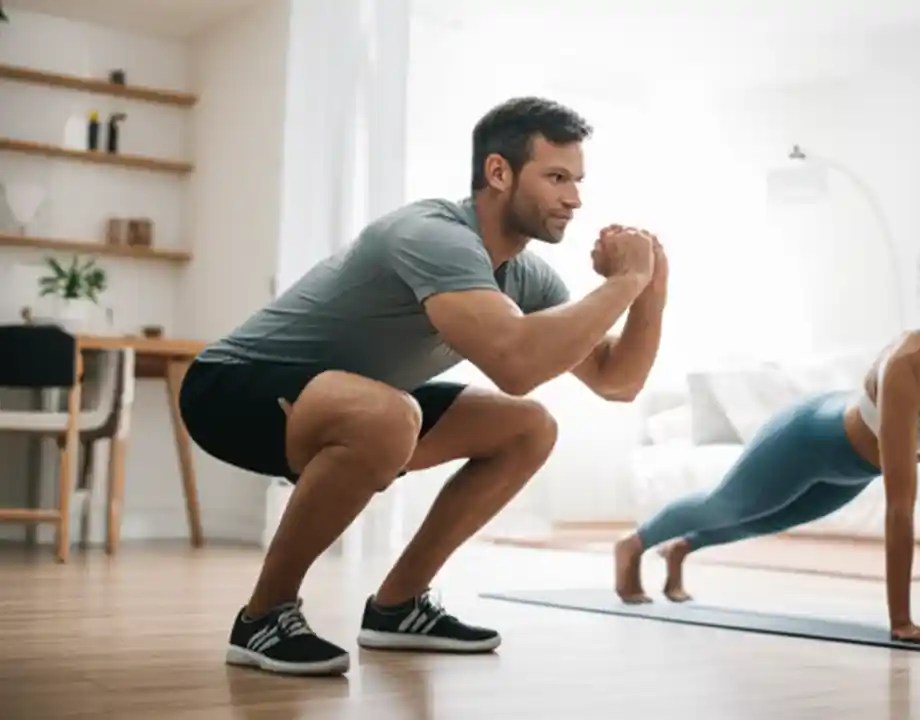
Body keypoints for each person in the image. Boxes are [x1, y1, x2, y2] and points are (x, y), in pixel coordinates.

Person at [179, 96, 668, 676]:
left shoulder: (523, 273)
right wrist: (627, 280)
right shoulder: (432, 234)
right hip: (231, 389)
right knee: (392, 414)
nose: (575, 199)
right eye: (557, 177)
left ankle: (398, 607)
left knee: (528, 428)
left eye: (578, 180)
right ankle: (264, 617)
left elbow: (618, 381)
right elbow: (516, 364)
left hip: (360, 400)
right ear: (498, 172)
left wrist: (650, 287)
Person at [613, 203, 920, 646]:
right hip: (807, 438)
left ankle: (681, 547)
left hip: (854, 469)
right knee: (728, 506)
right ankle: (633, 546)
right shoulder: (914, 362)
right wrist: (902, 622)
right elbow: (900, 504)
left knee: (766, 518)